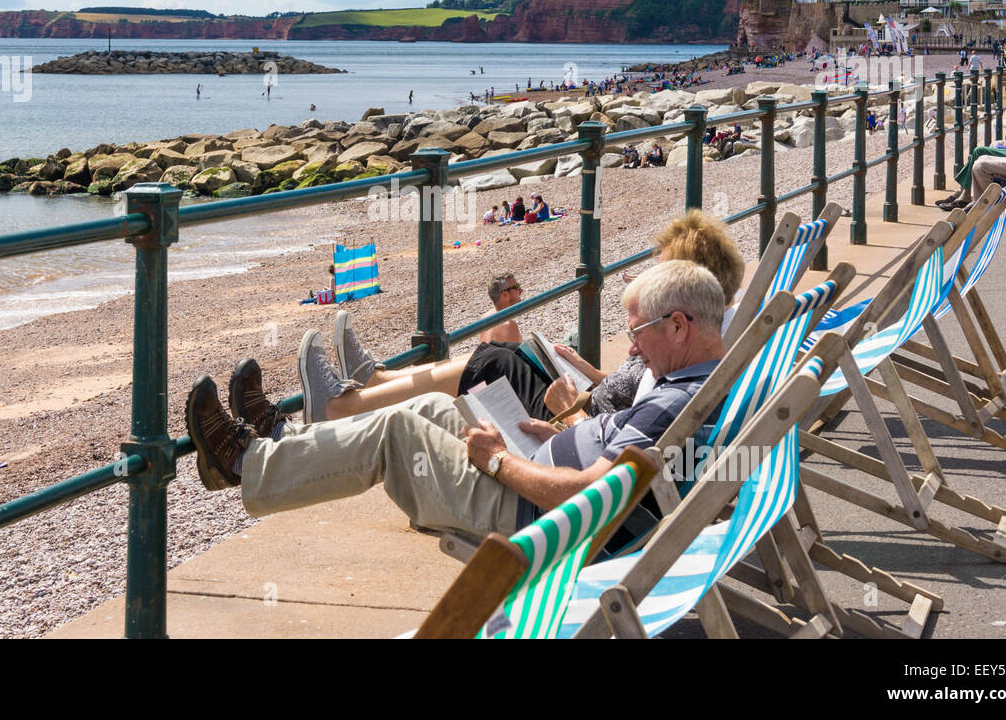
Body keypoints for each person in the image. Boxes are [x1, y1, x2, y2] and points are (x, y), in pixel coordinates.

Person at [181, 260, 728, 545]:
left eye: (638, 333)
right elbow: (613, 467)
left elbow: (592, 495)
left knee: (397, 430)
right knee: (436, 410)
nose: (630, 347)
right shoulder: (705, 386)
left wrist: (497, 459)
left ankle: (242, 463)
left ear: (679, 325)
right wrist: (555, 436)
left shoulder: (674, 404)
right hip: (539, 476)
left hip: (535, 518)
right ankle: (283, 440)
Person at [552, 210, 743, 417]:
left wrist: (572, 414)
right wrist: (586, 369)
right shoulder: (716, 333)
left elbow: (629, 443)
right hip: (595, 410)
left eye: (660, 273)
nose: (651, 280)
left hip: (591, 422)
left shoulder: (684, 352)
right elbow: (629, 389)